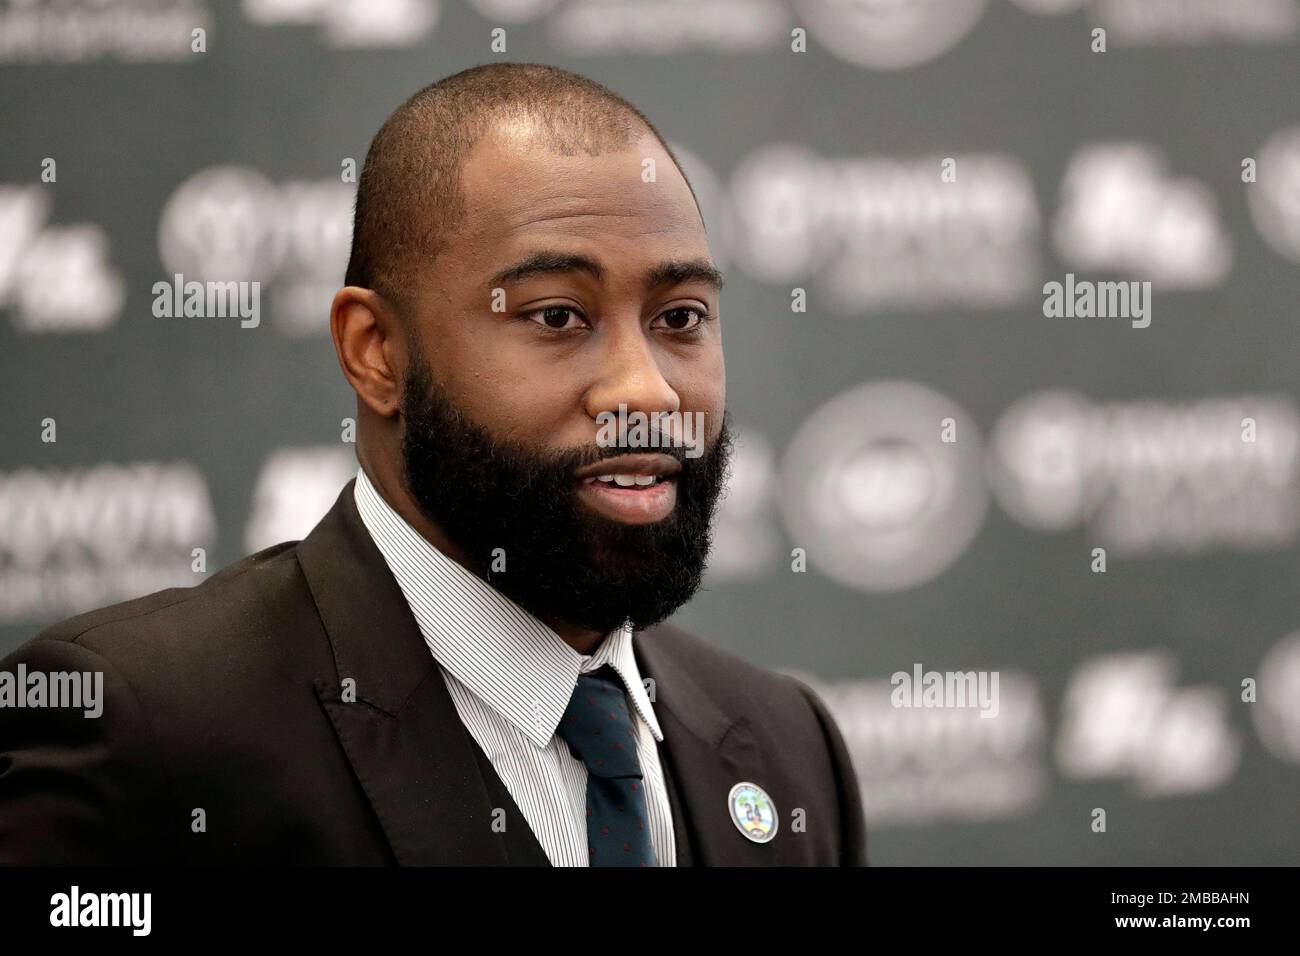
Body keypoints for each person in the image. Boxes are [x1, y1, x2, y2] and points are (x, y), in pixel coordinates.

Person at [0, 62, 866, 866]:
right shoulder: (140, 735)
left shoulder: (788, 747)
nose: (645, 392)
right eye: (558, 316)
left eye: (680, 318)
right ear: (376, 352)